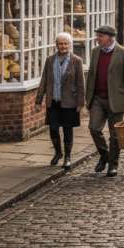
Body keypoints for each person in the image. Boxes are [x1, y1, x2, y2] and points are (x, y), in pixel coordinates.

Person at [85, 25, 124, 178]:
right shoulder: (95, 52)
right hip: (98, 99)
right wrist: (88, 98)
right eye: (98, 35)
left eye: (100, 36)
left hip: (116, 100)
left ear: (110, 38)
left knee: (114, 136)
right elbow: (92, 75)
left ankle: (113, 164)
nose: (97, 38)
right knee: (94, 128)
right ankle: (104, 155)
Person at [35, 32, 85, 172]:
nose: (62, 46)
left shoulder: (77, 61)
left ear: (69, 45)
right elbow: (44, 81)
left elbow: (81, 83)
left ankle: (67, 157)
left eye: (65, 43)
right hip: (54, 101)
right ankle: (58, 152)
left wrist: (81, 102)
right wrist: (38, 101)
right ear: (56, 45)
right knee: (53, 129)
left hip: (70, 102)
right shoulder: (50, 60)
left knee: (68, 130)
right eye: (60, 43)